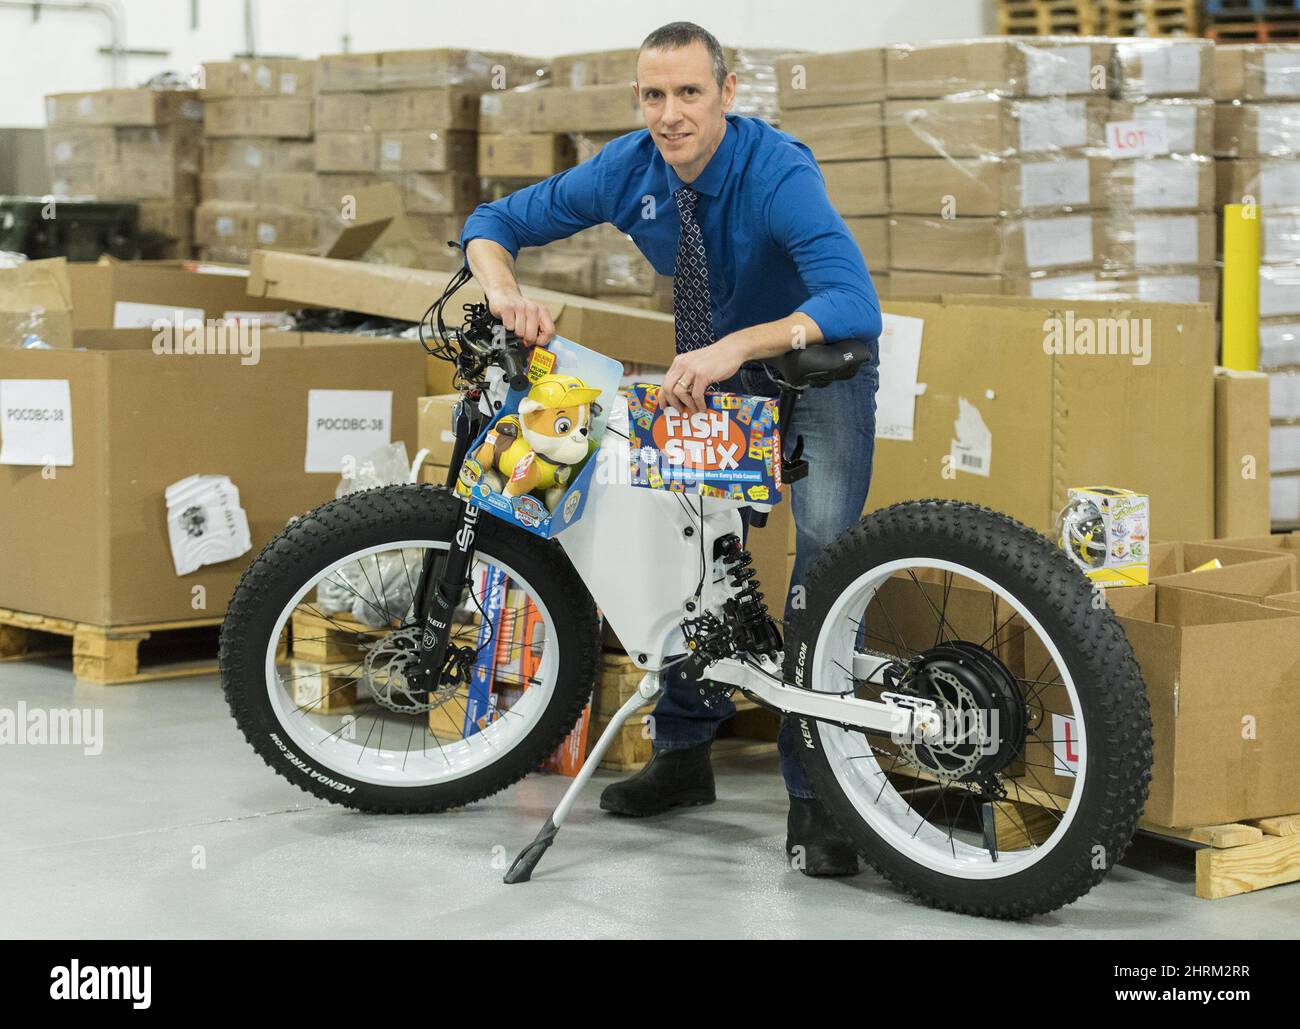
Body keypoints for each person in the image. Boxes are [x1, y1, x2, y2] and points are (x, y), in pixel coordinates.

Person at [460, 21, 881, 876]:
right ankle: (684, 753)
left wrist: (740, 347)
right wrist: (505, 293)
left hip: (815, 368)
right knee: (685, 546)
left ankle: (817, 796)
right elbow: (493, 220)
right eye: (654, 95)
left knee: (824, 568)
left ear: (727, 93)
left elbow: (854, 298)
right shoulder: (632, 167)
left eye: (689, 93)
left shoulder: (778, 172)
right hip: (712, 372)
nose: (670, 113)